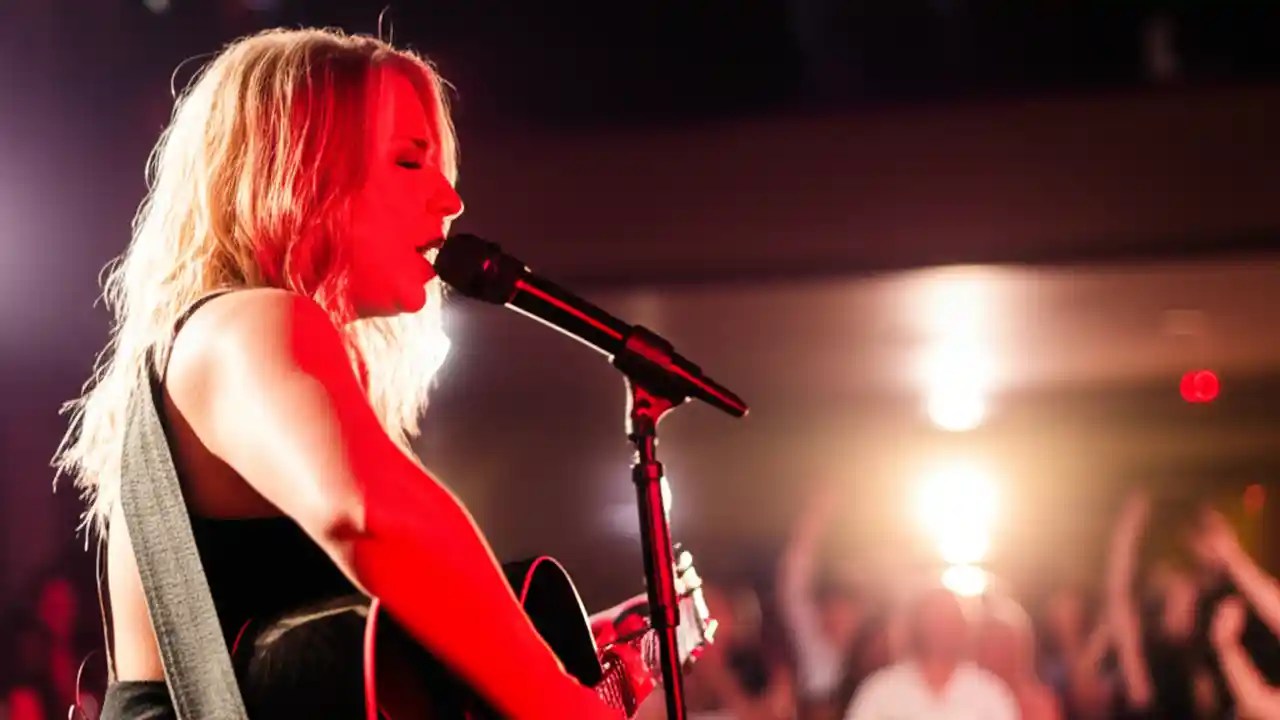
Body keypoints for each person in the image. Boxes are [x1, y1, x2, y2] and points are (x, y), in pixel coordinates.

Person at [55, 26, 620, 719]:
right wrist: (557, 699)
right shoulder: (248, 322)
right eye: (411, 164)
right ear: (296, 169)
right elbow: (370, 519)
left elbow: (333, 671)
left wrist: (550, 655)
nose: (451, 200)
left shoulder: (225, 341)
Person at [842, 587, 1017, 720]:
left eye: (949, 618)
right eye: (934, 618)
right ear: (918, 624)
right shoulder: (881, 689)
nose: (941, 627)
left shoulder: (990, 692)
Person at [974, 595, 1063, 720]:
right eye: (991, 643)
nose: (998, 653)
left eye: (1005, 643)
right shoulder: (964, 694)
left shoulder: (1038, 703)